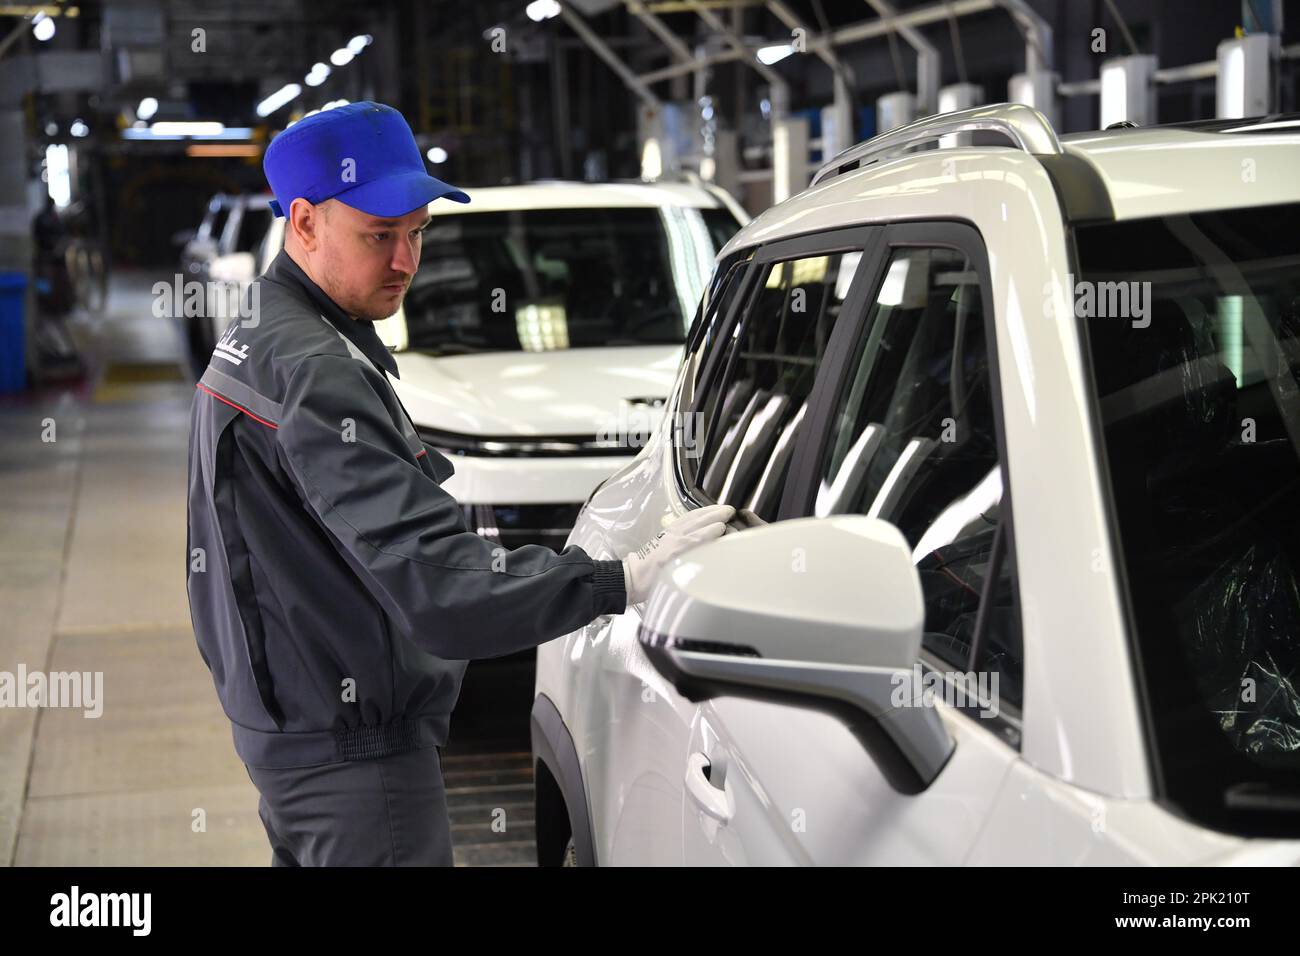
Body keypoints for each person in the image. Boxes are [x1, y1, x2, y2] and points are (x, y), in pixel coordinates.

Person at [184, 101, 733, 866]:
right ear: (303, 222)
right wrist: (621, 579)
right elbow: (440, 589)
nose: (407, 260)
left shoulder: (262, 337)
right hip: (356, 759)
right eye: (380, 235)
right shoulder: (317, 371)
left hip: (294, 731)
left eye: (417, 232)